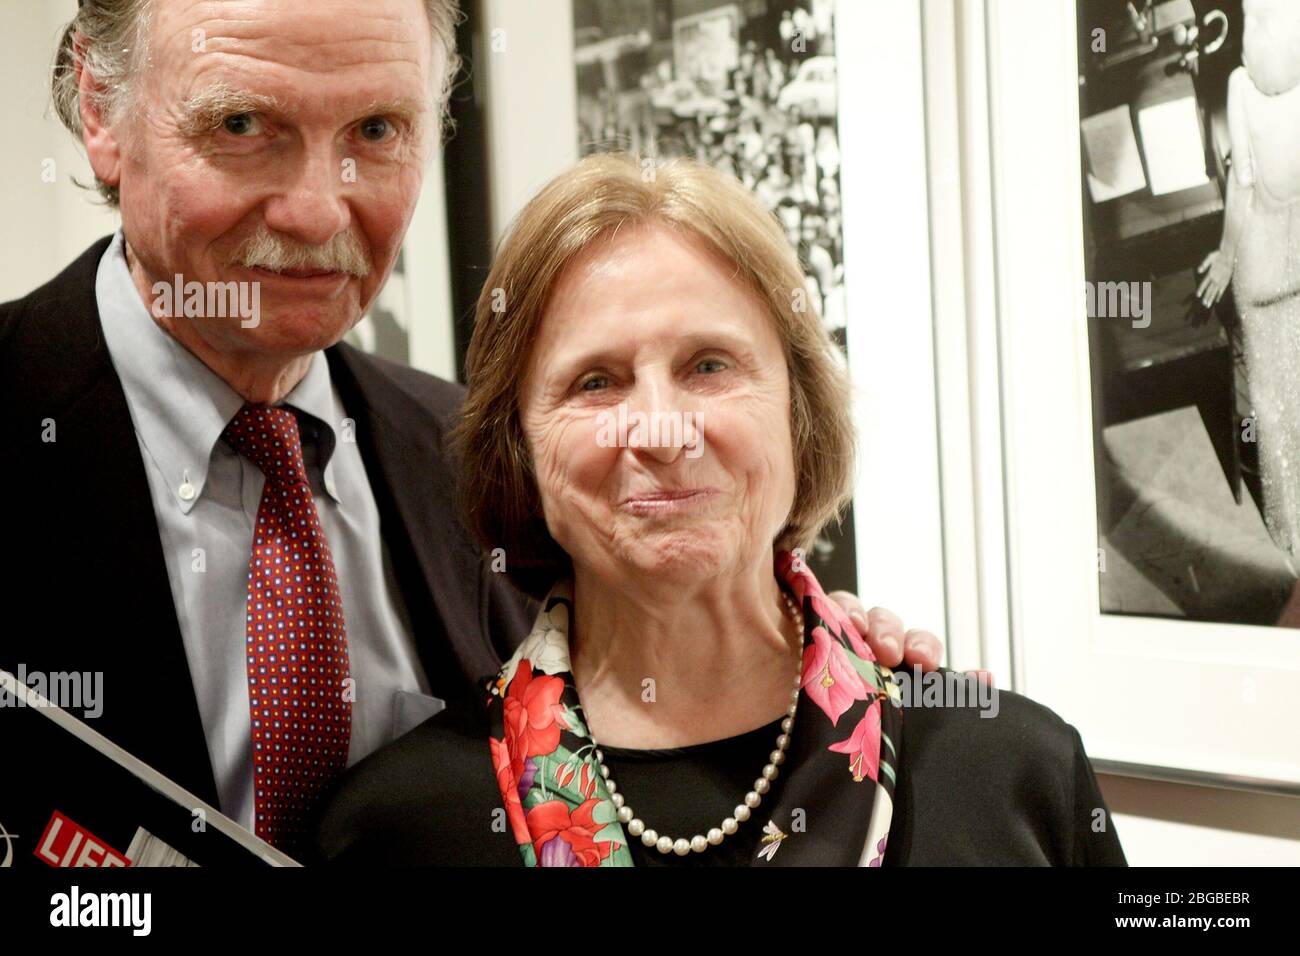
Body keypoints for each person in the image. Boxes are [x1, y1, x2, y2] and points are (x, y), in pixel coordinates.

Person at [0, 0, 939, 862]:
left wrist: (813, 646)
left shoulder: (484, 463)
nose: (321, 209)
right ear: (99, 110)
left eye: (376, 130)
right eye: (244, 127)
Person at [312, 154, 1127, 867]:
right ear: (519, 448)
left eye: (708, 365)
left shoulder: (1015, 769)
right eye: (596, 382)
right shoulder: (397, 829)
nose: (663, 430)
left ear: (799, 415)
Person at [1199, 0, 1300, 560]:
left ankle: (1290, 534)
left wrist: (1225, 255)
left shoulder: (1239, 86)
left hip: (1262, 260)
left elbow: (1241, 185)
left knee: (1273, 401)